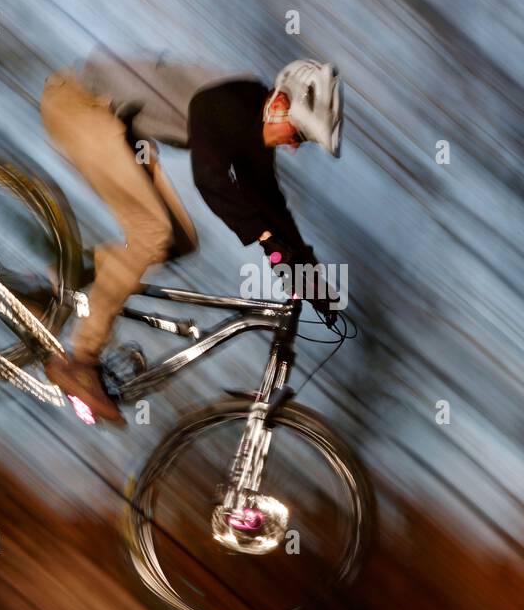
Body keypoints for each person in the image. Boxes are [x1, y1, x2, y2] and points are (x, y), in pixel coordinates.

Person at [39, 50, 343, 424]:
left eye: (303, 141)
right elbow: (211, 179)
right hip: (79, 103)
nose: (295, 146)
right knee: (153, 233)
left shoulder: (251, 130)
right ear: (280, 103)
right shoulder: (228, 102)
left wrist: (314, 283)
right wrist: (266, 239)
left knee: (179, 240)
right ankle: (81, 362)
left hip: (117, 126)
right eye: (299, 133)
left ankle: (60, 283)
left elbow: (272, 208)